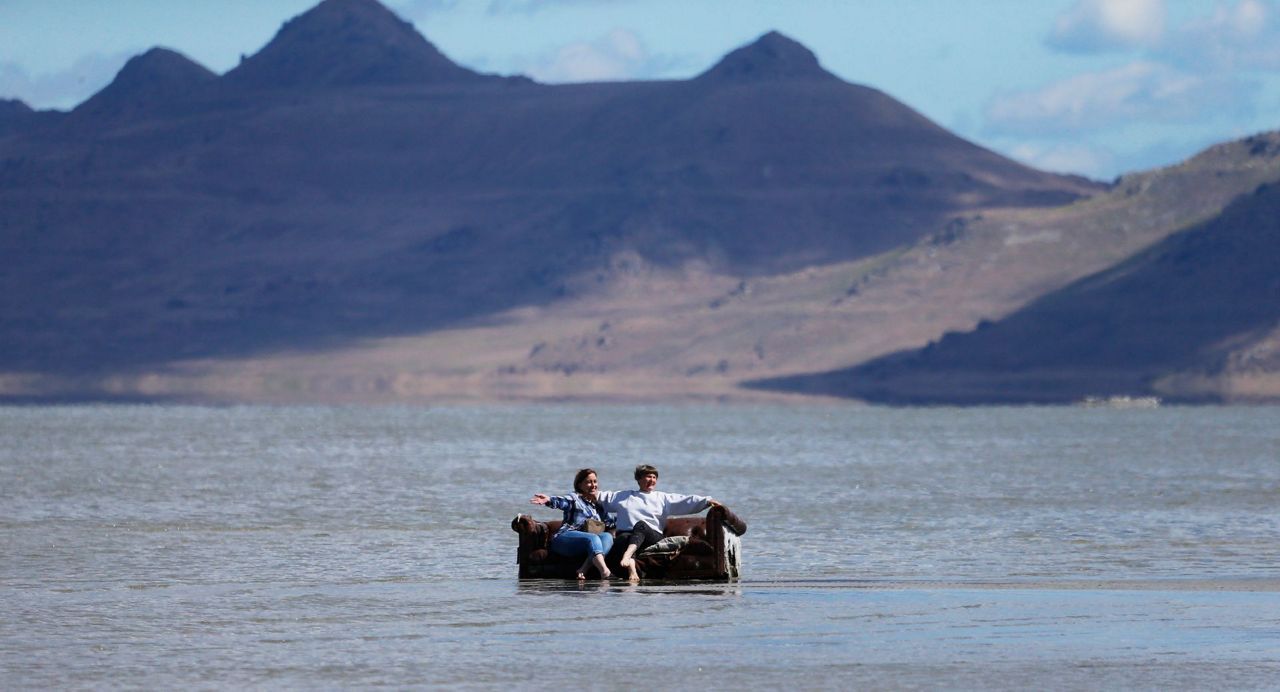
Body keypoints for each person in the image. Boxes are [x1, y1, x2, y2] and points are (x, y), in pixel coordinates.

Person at [598, 464, 721, 581]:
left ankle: (628, 556)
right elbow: (600, 497)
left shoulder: (662, 498)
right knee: (623, 537)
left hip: (652, 537)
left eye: (654, 477)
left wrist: (707, 501)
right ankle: (631, 565)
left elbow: (684, 501)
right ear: (639, 479)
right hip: (628, 537)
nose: (652, 480)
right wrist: (585, 492)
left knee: (641, 526)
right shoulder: (624, 496)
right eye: (648, 476)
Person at [529, 468, 615, 580]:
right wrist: (549, 500)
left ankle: (583, 569)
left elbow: (612, 523)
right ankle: (605, 572)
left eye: (595, 481)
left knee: (607, 537)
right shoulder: (575, 498)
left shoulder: (598, 505)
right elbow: (563, 502)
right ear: (580, 485)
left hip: (588, 542)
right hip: (564, 540)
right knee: (593, 538)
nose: (593, 485)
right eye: (589, 482)